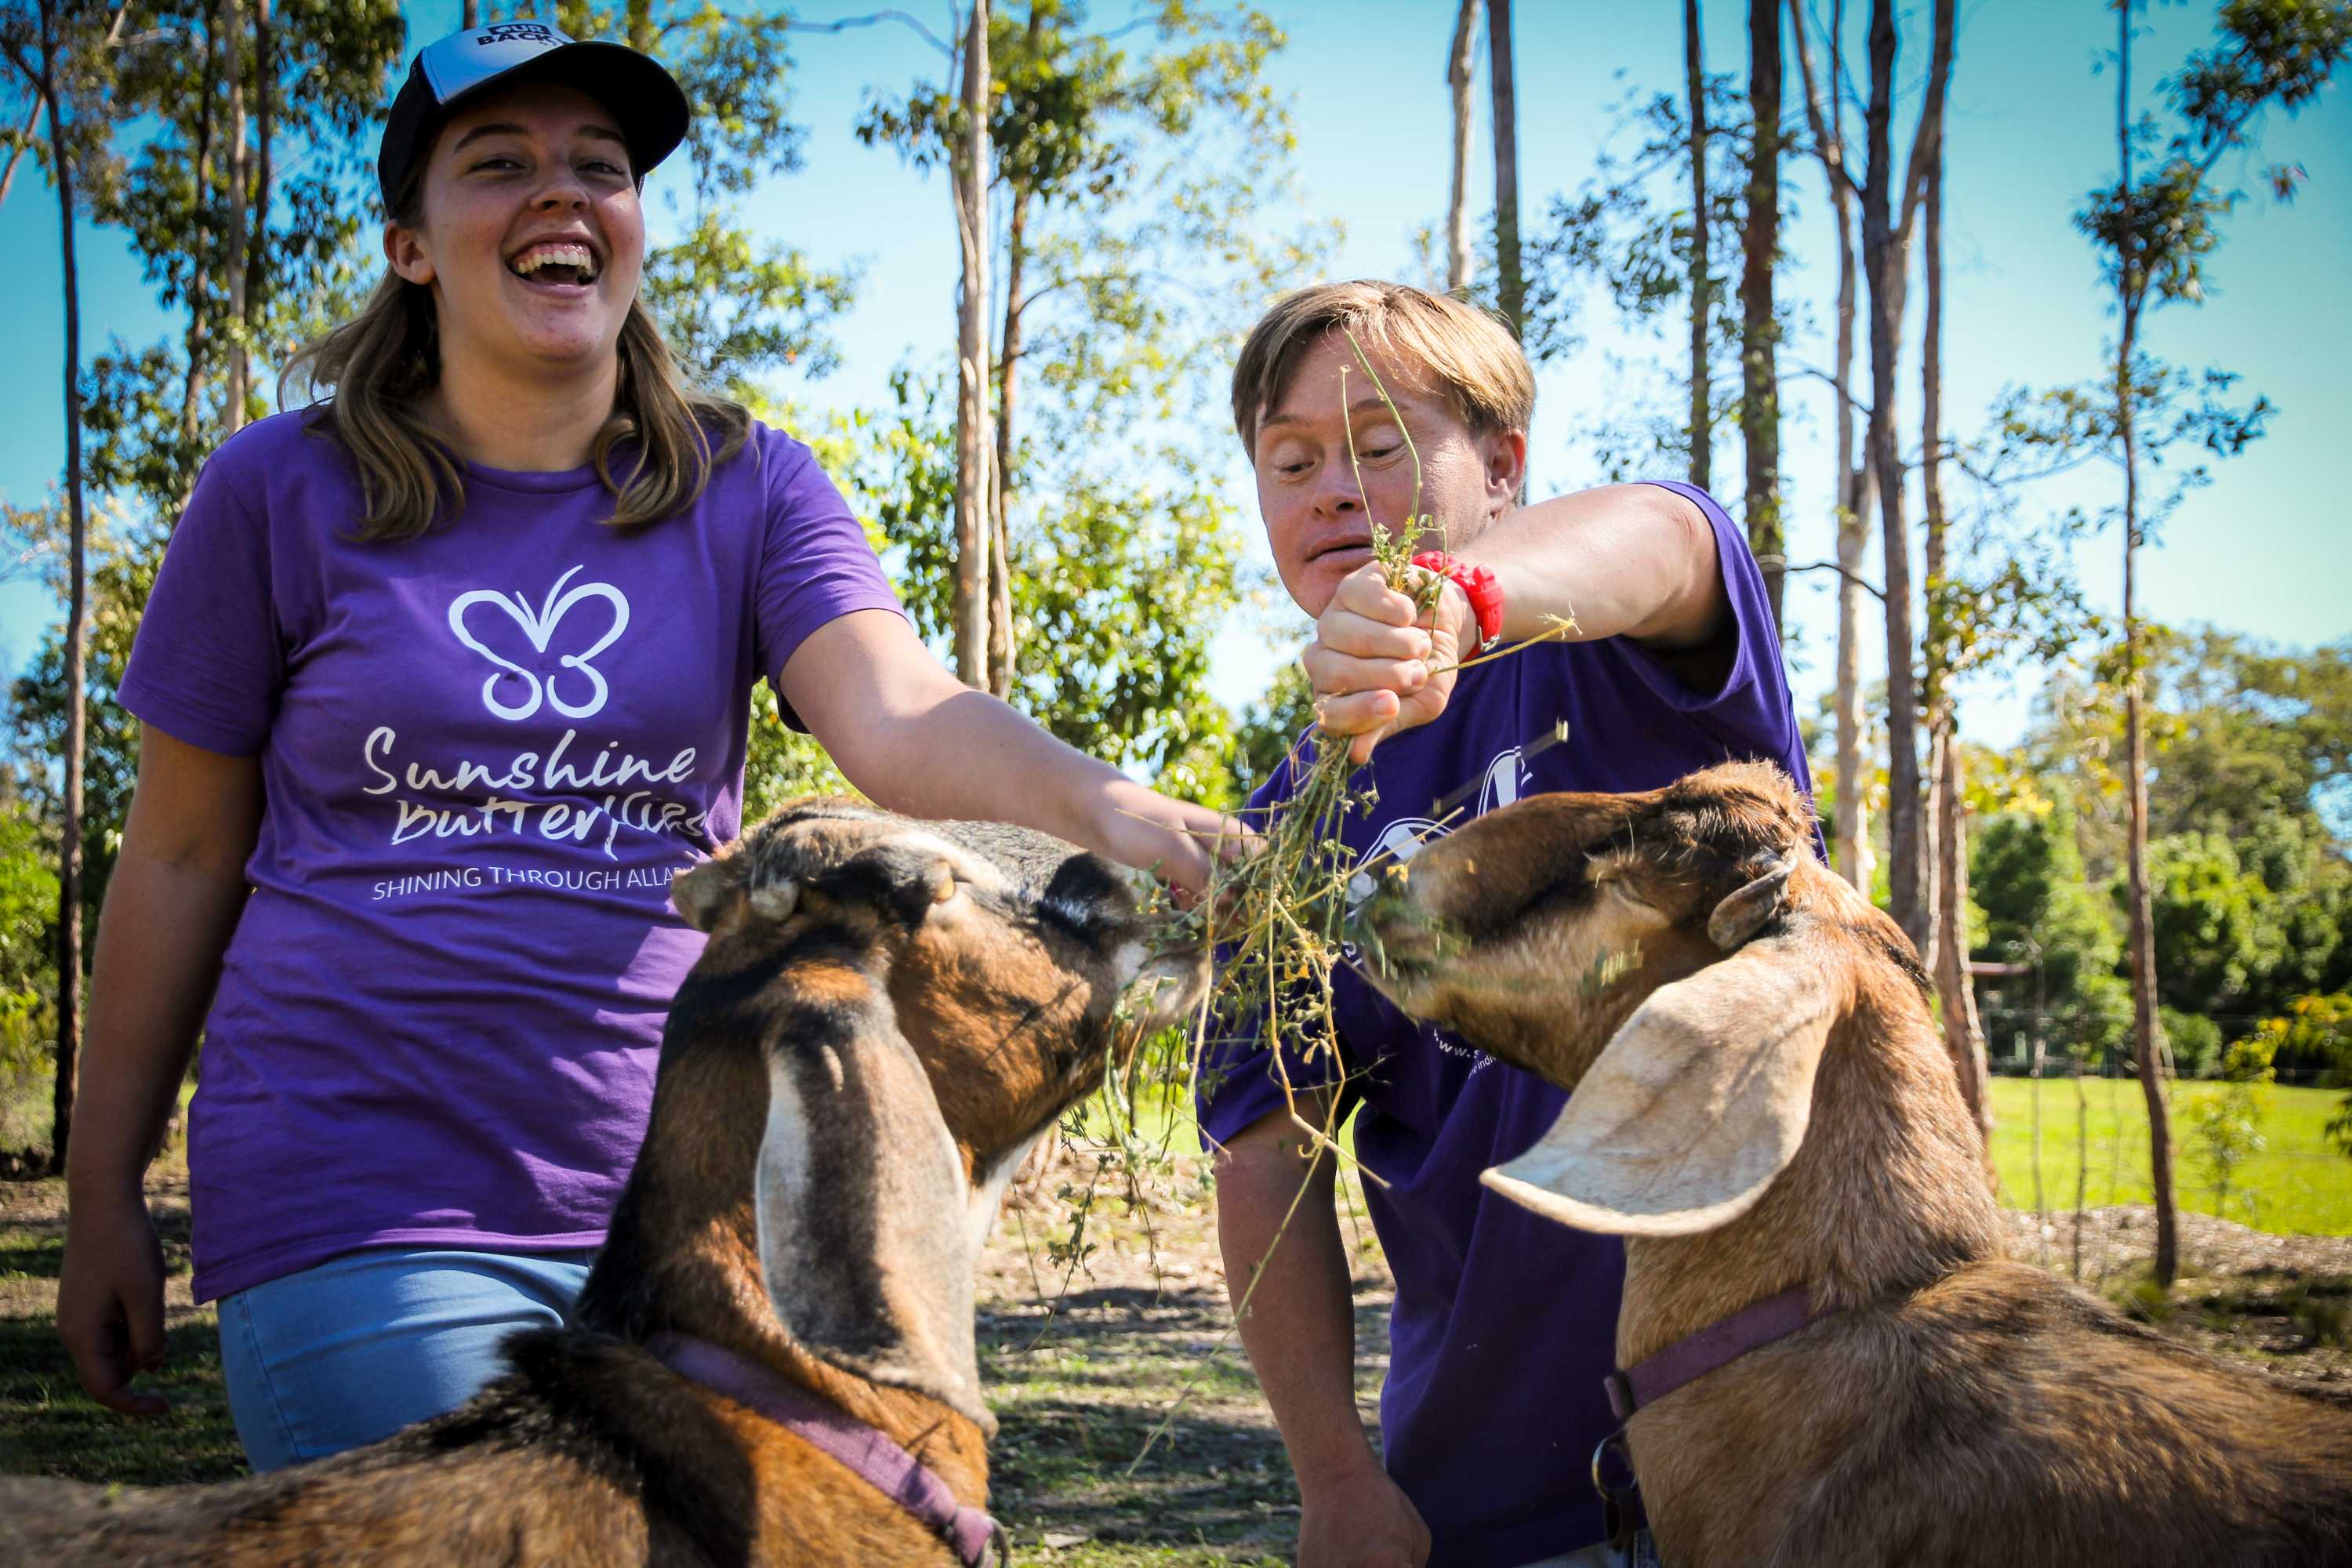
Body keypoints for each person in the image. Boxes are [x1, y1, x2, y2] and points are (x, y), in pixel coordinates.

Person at [57, 20, 1232, 1473]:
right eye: (500, 165)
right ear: (411, 244)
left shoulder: (747, 486)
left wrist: (1111, 811)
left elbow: (899, 712)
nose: (562, 194)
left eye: (598, 168)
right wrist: (104, 1183)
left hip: (708, 1197)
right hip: (365, 1194)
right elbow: (177, 855)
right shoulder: (277, 492)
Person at [1200, 281, 1813, 1568]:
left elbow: (1670, 539)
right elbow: (1267, 1151)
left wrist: (1460, 601)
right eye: (1291, 459)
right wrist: (1335, 1482)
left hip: (1791, 1449)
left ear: (1503, 466)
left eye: (1379, 445)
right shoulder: (1287, 833)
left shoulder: (1615, 650)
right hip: (1487, 1504)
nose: (1330, 488)